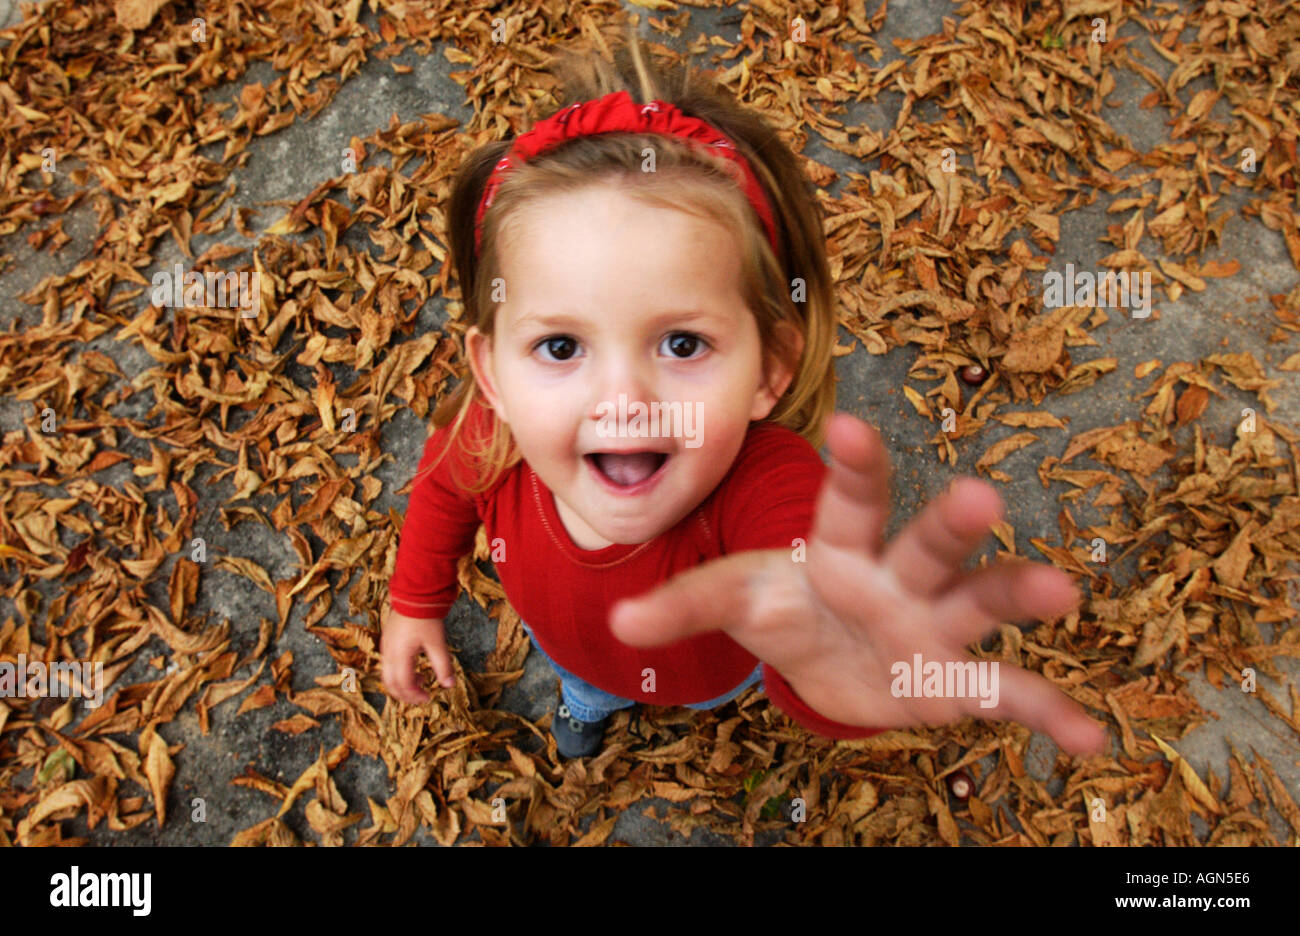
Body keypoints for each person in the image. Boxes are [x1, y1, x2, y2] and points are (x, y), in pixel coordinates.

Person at [381, 32, 1108, 762]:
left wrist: (834, 649)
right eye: (562, 347)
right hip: (566, 647)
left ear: (770, 366)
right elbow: (443, 496)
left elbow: (802, 562)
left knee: (702, 690)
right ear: (494, 373)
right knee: (586, 683)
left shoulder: (763, 480)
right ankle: (587, 703)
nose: (625, 401)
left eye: (682, 344)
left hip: (710, 675)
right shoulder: (487, 432)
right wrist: (414, 602)